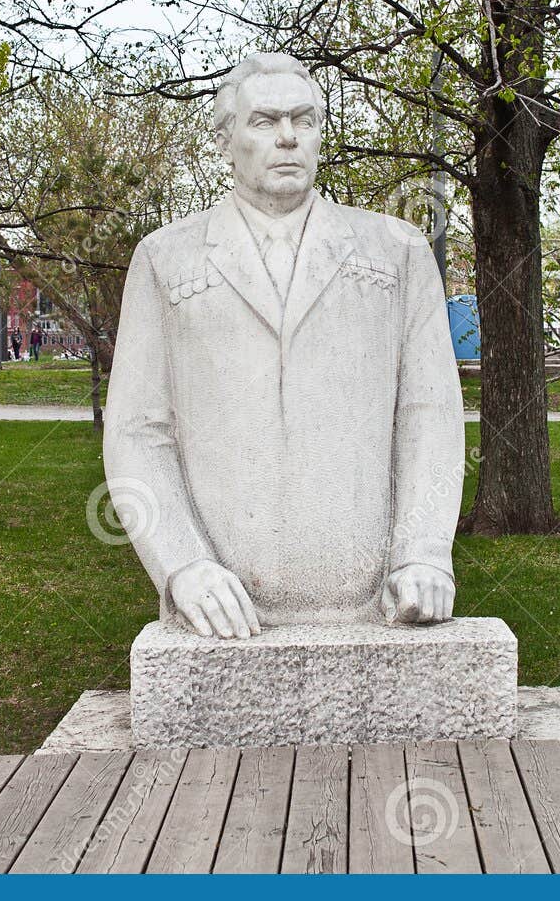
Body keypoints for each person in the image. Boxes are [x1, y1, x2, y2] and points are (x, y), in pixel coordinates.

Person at [105, 51, 462, 637]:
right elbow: (138, 431)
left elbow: (429, 413)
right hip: (221, 606)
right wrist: (182, 565)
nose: (289, 137)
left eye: (305, 120)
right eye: (266, 121)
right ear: (226, 142)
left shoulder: (397, 251)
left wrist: (423, 552)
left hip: (368, 599)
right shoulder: (164, 259)